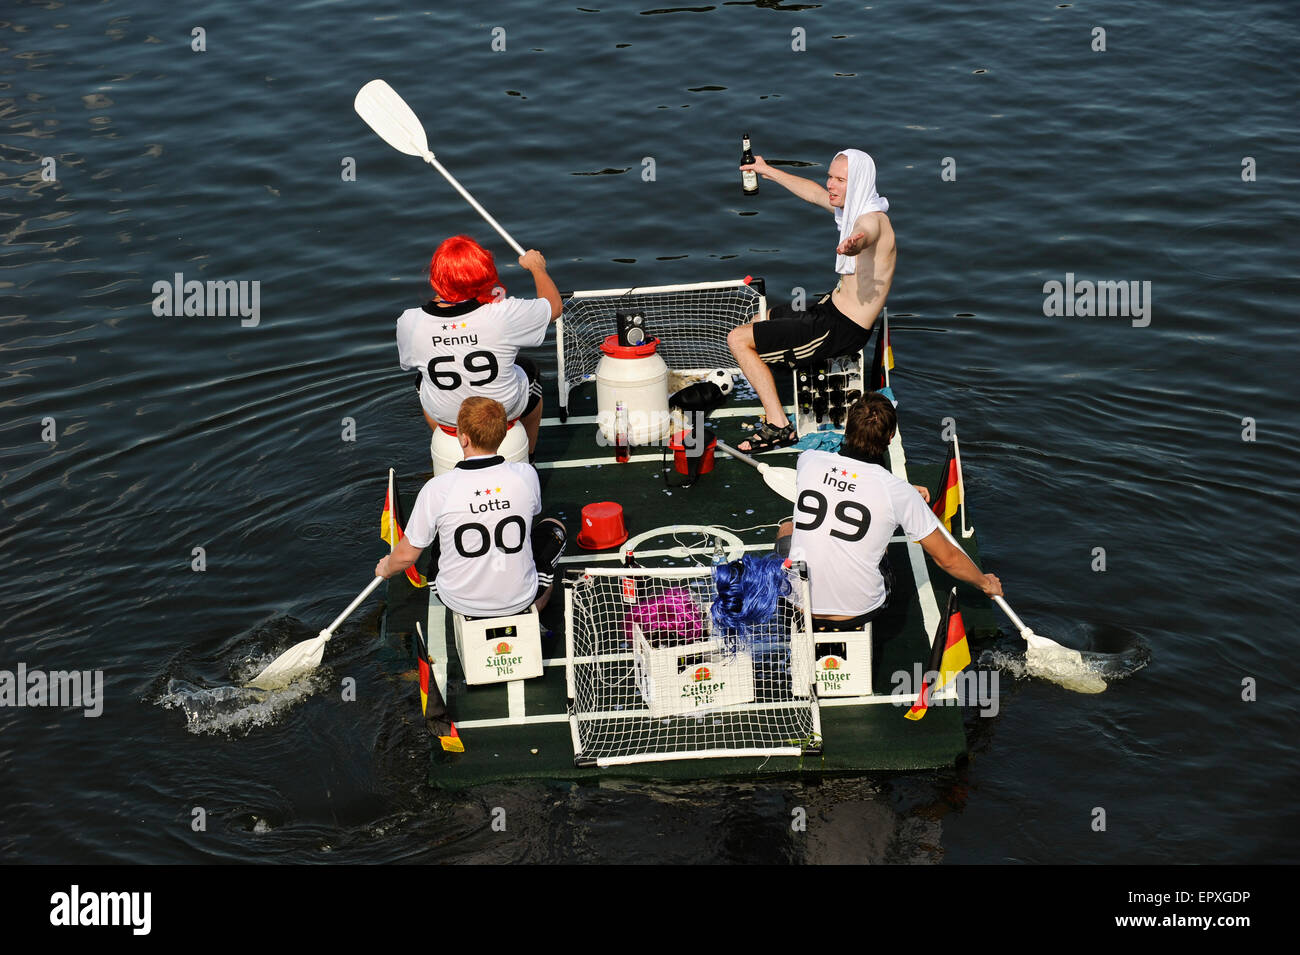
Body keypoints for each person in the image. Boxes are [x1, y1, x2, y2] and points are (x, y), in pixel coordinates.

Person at [775, 392, 1001, 631]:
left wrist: (903, 495)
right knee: (880, 541)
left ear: (847, 429)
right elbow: (948, 559)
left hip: (798, 604)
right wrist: (985, 582)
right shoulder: (899, 493)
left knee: (787, 528)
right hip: (858, 611)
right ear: (890, 437)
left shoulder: (808, 461)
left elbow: (849, 481)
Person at [728, 148, 896, 452]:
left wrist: (854, 244)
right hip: (829, 309)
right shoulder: (851, 207)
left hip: (841, 329)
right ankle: (780, 364)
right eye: (830, 177)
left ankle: (779, 426)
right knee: (764, 318)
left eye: (840, 180)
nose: (830, 185)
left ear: (858, 182)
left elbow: (867, 233)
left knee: (738, 340)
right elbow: (813, 194)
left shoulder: (873, 221)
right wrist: (767, 170)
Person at [377, 397, 567, 615]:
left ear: (463, 439)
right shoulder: (526, 475)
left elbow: (406, 557)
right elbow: (531, 515)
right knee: (553, 526)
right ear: (503, 434)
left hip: (458, 600)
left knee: (439, 536)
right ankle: (535, 604)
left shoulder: (437, 488)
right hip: (519, 598)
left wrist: (386, 567)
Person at [395, 235, 562, 457]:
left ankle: (454, 444)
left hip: (447, 415)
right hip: (503, 410)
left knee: (421, 378)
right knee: (529, 370)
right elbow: (554, 307)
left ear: (435, 275)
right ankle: (529, 454)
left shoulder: (410, 321)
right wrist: (537, 268)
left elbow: (409, 362)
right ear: (483, 273)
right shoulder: (503, 313)